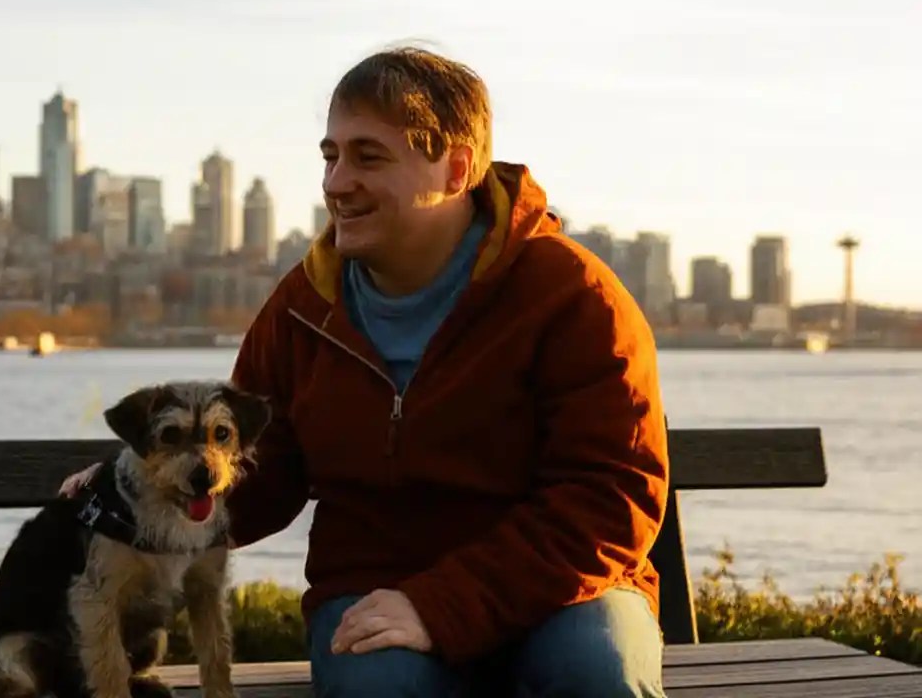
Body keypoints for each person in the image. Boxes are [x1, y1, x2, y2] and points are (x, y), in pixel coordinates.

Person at [61, 46, 669, 697]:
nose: (335, 182)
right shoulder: (302, 309)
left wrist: (443, 606)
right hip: (372, 593)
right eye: (331, 156)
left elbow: (610, 500)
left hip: (563, 592)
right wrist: (134, 491)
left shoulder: (572, 296)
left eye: (367, 156)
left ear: (456, 168)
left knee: (594, 678)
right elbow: (260, 470)